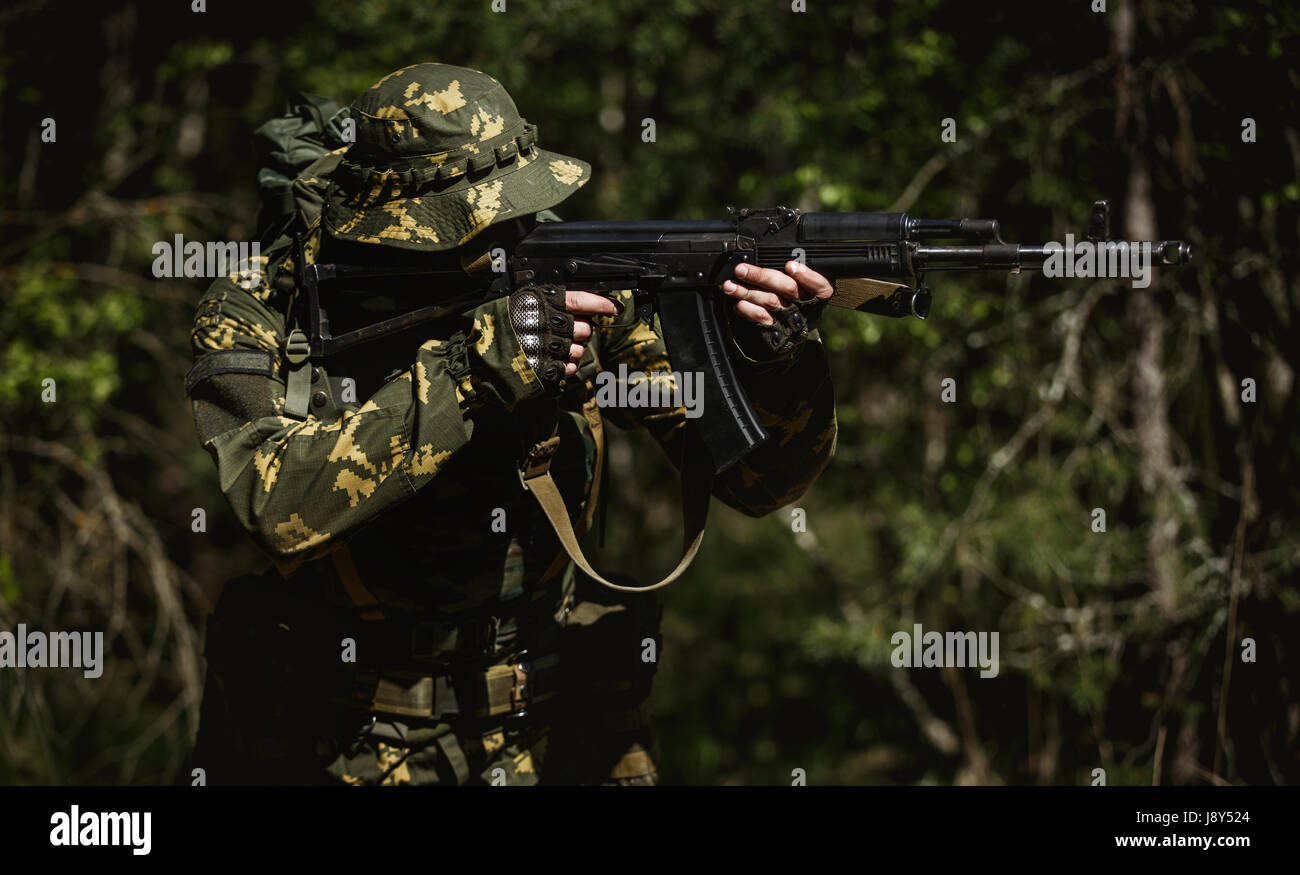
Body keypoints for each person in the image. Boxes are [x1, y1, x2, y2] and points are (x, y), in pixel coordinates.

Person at [185, 62, 837, 785]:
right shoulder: (266, 300)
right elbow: (273, 502)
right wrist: (475, 368)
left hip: (557, 729)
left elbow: (756, 481)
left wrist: (776, 366)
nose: (502, 239)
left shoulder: (572, 278)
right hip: (342, 738)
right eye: (471, 225)